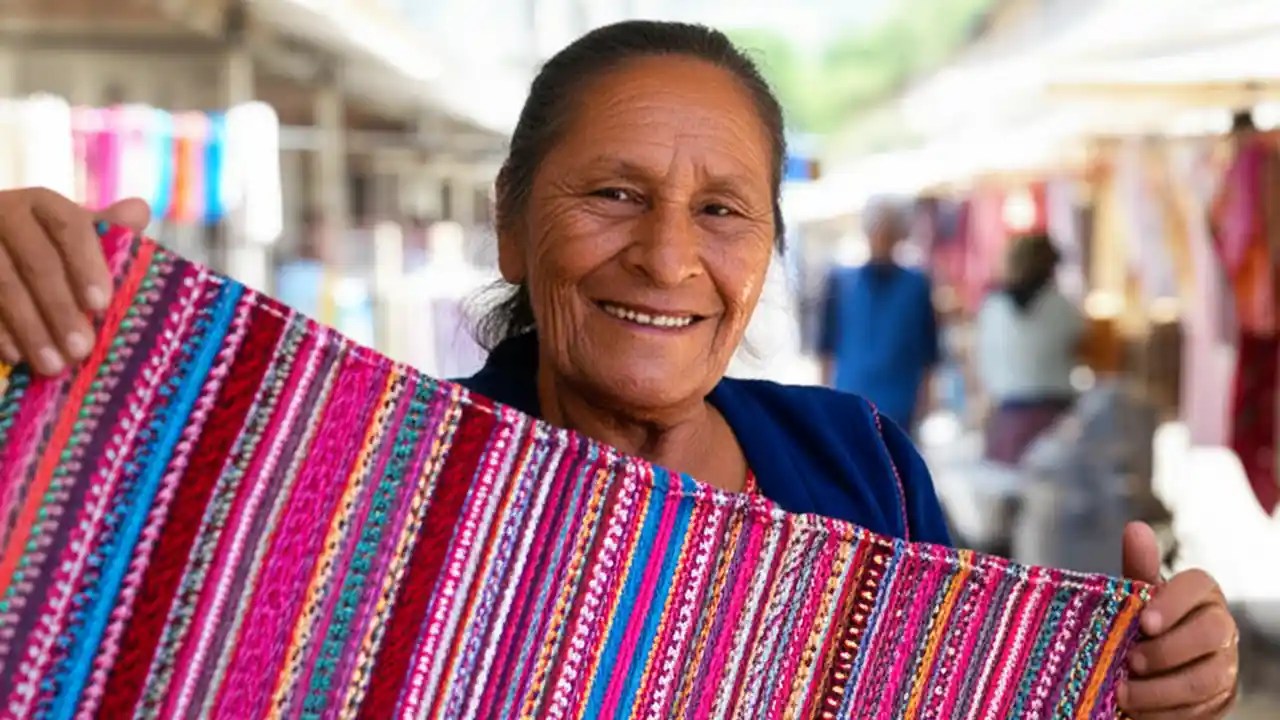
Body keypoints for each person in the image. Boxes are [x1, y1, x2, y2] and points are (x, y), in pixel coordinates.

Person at [0, 20, 1239, 718]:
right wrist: (48, 370)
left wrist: (1131, 686)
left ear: (767, 252)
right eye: (610, 195)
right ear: (506, 222)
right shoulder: (374, 488)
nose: (665, 258)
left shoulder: (854, 457)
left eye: (722, 212)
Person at [819, 197, 941, 433]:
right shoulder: (841, 283)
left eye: (888, 230)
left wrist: (927, 398)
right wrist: (825, 397)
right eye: (877, 230)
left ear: (899, 234)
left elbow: (929, 351)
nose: (881, 238)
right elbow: (826, 346)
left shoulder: (917, 286)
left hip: (900, 402)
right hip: (851, 398)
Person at [977, 233, 1084, 465]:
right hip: (1054, 418)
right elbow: (1080, 350)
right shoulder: (1060, 306)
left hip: (1007, 419)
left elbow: (983, 366)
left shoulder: (992, 307)